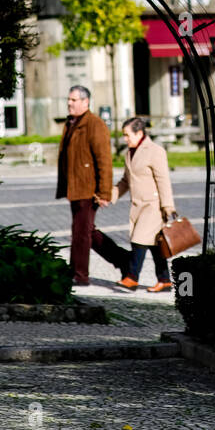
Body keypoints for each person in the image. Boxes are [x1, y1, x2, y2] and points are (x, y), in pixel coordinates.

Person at [56, 85, 130, 287]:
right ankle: (124, 260)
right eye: (69, 99)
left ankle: (79, 275)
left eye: (73, 100)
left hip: (88, 190)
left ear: (85, 102)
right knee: (87, 231)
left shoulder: (94, 124)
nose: (69, 103)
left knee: (81, 233)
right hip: (75, 187)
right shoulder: (72, 123)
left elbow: (104, 160)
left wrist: (104, 192)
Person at [104, 117, 177, 293]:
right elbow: (125, 181)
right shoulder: (129, 152)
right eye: (124, 135)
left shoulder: (155, 151)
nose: (125, 139)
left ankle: (131, 277)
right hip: (137, 206)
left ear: (139, 133)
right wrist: (110, 196)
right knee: (154, 245)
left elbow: (163, 180)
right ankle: (165, 280)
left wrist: (168, 206)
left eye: (127, 135)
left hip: (153, 206)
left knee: (139, 241)